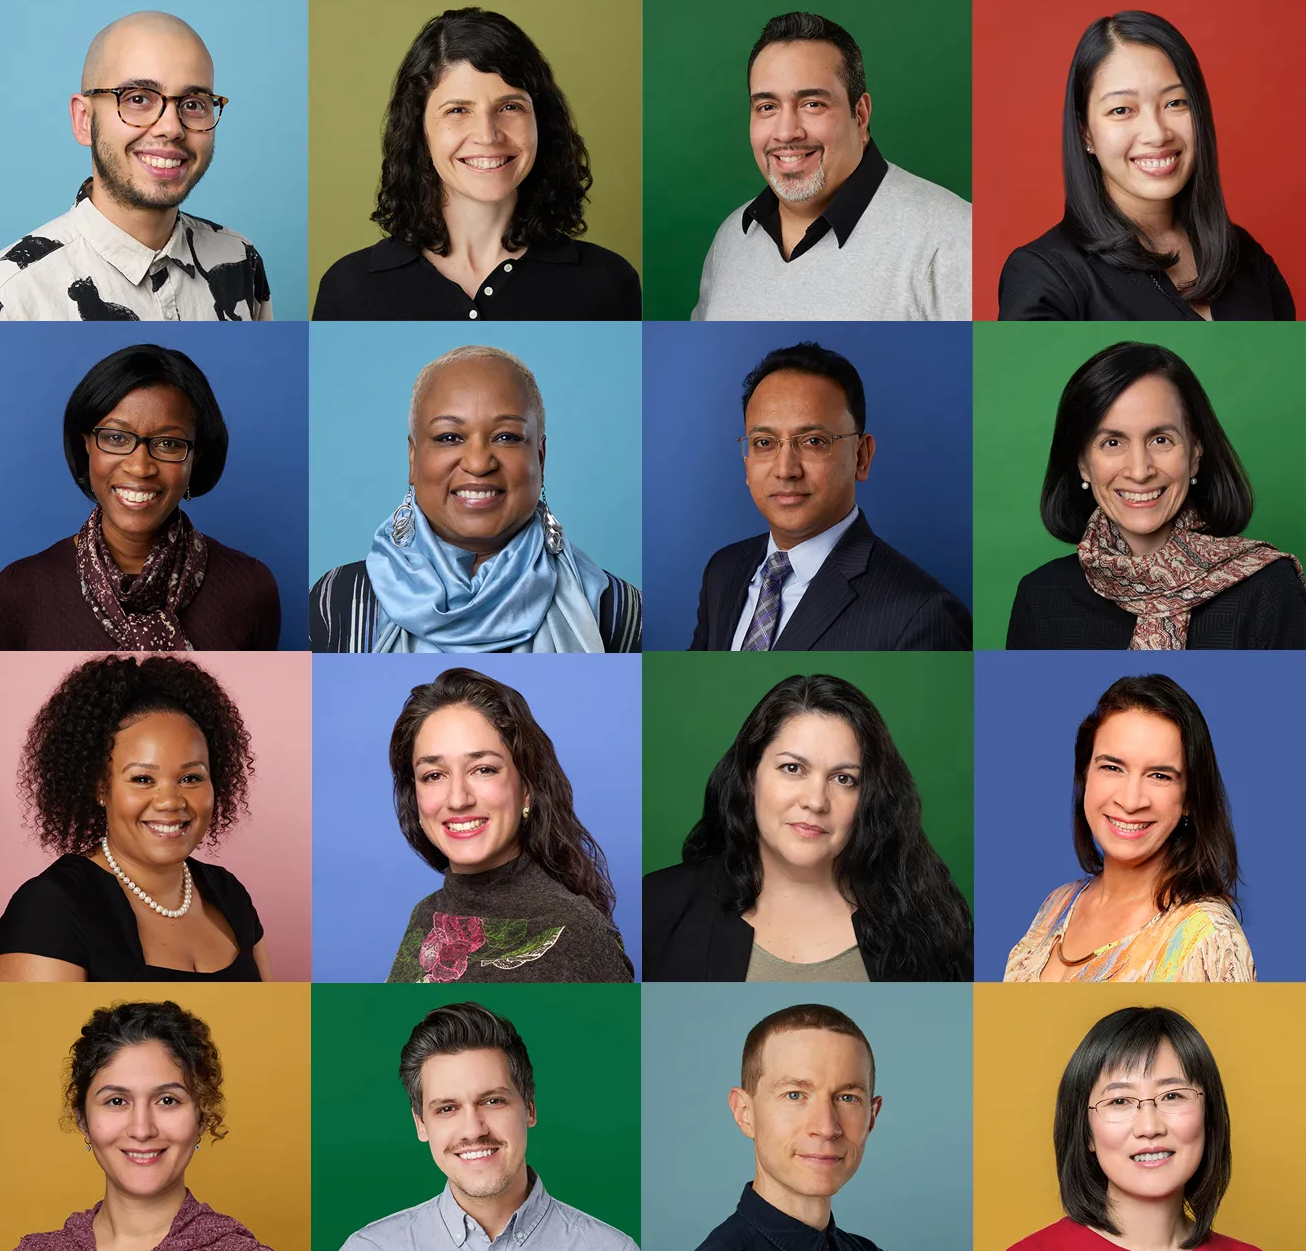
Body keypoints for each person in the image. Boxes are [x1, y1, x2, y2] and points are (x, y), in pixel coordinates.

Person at [312, 8, 640, 320]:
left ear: (541, 121)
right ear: (419, 129)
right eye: (457, 110)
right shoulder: (348, 290)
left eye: (510, 107)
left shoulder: (608, 283)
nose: (487, 135)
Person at [308, 345, 641, 652]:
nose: (479, 463)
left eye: (507, 437)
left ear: (540, 458)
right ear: (413, 459)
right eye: (450, 437)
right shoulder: (338, 599)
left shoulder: (614, 607)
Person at [316, 1001, 640, 1251]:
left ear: (529, 1107)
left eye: (493, 1101)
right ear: (421, 1124)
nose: (473, 1129)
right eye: (447, 1108)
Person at [644, 674, 972, 982]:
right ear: (749, 775)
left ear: (869, 797)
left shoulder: (932, 921)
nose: (816, 801)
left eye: (844, 779)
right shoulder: (659, 906)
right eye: (792, 768)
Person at [0, 1001, 294, 1251]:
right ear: (83, 1120)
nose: (142, 1129)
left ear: (201, 1119)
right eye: (117, 1100)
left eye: (168, 1100)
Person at [0, 655, 272, 982]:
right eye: (142, 779)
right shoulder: (49, 910)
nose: (170, 801)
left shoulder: (231, 894)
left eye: (191, 778)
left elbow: (274, 1026)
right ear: (100, 787)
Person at [983, 1006, 1286, 1251]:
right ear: (1086, 1132)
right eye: (1119, 1101)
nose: (1150, 1127)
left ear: (1208, 1117)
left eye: (1172, 1096)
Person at [1006, 342, 1306, 649]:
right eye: (1112, 442)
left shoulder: (1269, 587)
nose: (1139, 471)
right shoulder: (1040, 596)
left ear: (1195, 454)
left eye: (1161, 439)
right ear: (1083, 464)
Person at [0, 344, 280, 651]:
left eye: (168, 443)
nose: (140, 467)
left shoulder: (250, 588)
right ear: (86, 444)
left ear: (196, 456)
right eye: (116, 438)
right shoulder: (20, 591)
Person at [999, 11, 1293, 321]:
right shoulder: (1044, 276)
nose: (1157, 134)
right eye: (1122, 109)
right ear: (1085, 132)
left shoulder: (1246, 257)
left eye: (1175, 103)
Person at [0, 12, 271, 322]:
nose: (171, 127)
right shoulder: (6, 296)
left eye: (193, 104)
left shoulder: (241, 258)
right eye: (137, 99)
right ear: (83, 120)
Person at [690, 342, 970, 651]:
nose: (785, 470)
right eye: (764, 443)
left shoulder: (924, 615)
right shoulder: (723, 570)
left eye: (813, 441)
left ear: (861, 457)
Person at [691, 12, 970, 321]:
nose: (786, 132)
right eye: (767, 107)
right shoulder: (731, 239)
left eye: (813, 104)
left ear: (860, 115)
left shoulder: (951, 237)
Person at [658, 1004, 915, 1251]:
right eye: (795, 1095)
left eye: (847, 1098)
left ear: (872, 1117)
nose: (826, 1127)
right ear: (744, 1113)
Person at [383, 667, 633, 983]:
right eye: (434, 775)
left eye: (484, 769)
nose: (458, 799)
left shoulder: (578, 934)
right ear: (415, 797)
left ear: (526, 789)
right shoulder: (424, 916)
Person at [1003, 675, 1254, 982]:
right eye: (1112, 768)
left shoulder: (1207, 938)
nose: (1130, 800)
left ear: (1189, 797)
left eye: (1160, 776)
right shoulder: (1057, 904)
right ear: (1085, 775)